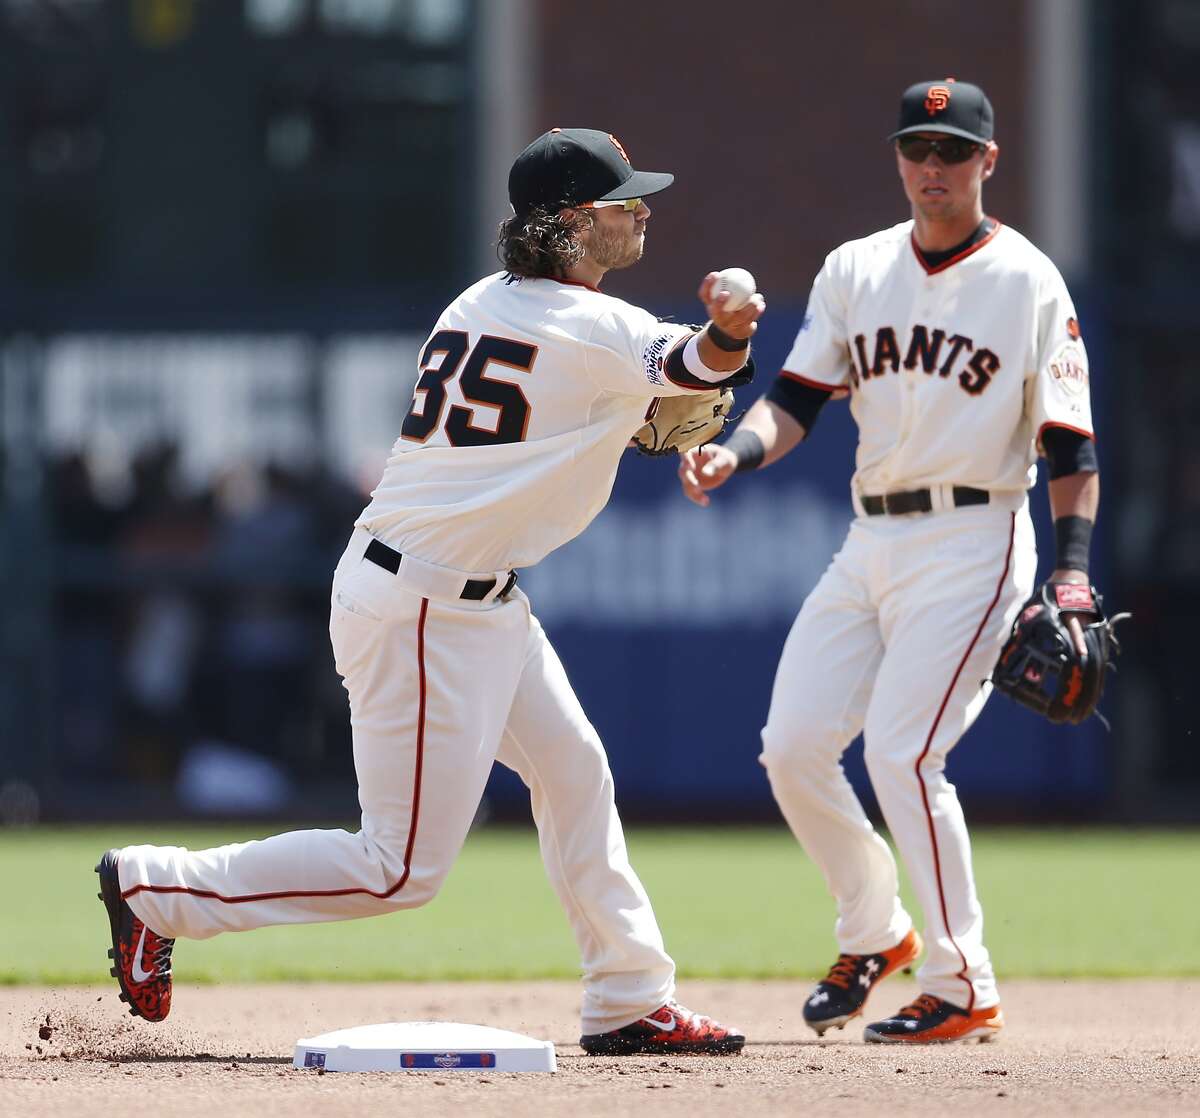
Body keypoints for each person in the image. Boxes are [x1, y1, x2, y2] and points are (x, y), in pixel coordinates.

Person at [97, 127, 764, 1055]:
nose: (642, 208)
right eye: (622, 198)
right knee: (397, 869)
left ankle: (627, 997)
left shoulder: (483, 300)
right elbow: (697, 369)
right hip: (425, 607)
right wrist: (730, 327)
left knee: (574, 773)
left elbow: (604, 389)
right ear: (571, 223)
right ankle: (154, 888)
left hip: (464, 600)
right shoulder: (592, 323)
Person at [678, 79, 1099, 1044]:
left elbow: (1071, 448)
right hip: (871, 537)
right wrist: (733, 453)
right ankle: (877, 931)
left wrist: (1071, 571)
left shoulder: (1028, 280)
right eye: (918, 146)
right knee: (790, 748)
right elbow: (795, 398)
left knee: (905, 755)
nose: (933, 166)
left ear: (989, 162)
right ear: (899, 155)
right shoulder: (857, 269)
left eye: (953, 150)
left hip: (977, 536)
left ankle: (964, 981)